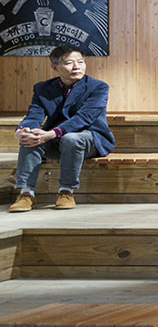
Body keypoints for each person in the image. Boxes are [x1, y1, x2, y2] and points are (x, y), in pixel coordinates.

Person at [10, 46, 114, 212]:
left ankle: (66, 191)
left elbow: (84, 118)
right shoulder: (42, 88)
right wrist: (22, 130)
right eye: (69, 63)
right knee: (30, 138)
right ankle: (26, 193)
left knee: (71, 138)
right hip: (55, 141)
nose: (76, 67)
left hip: (90, 139)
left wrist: (51, 133)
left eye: (80, 62)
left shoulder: (98, 87)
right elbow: (34, 114)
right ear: (54, 66)